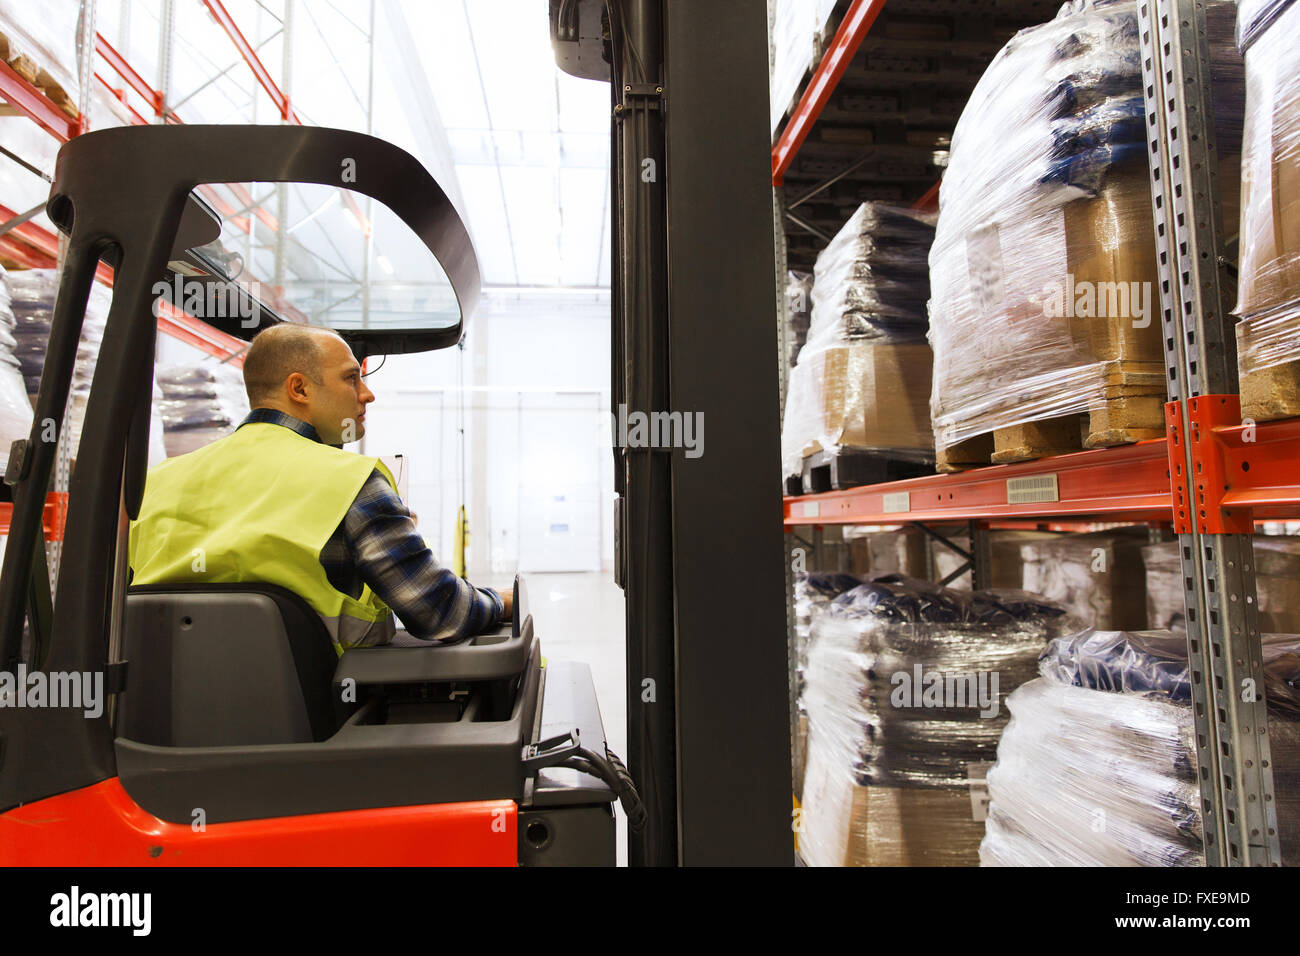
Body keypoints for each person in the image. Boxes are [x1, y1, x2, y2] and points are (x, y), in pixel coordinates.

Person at [128, 323, 510, 653]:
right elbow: (441, 612)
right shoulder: (351, 481)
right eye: (351, 378)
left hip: (160, 724)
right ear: (300, 389)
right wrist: (501, 601)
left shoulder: (155, 483)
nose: (367, 393)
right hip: (318, 725)